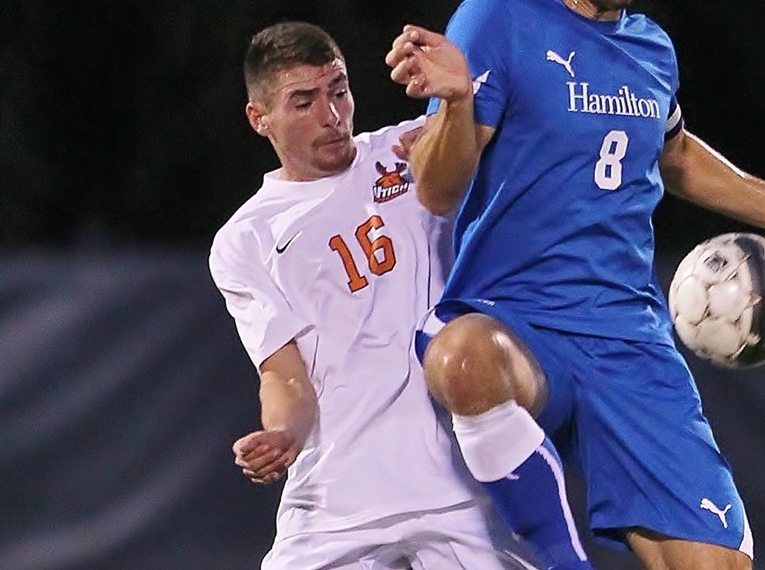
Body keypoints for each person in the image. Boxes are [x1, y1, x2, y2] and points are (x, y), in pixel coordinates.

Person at [385, 1, 765, 569]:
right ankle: (562, 559)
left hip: (628, 338)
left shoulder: (650, 46)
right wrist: (457, 103)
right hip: (516, 317)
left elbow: (675, 151)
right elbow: (435, 190)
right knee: (462, 356)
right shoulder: (498, 18)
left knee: (716, 563)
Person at [209, 21, 539, 570]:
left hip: (458, 484)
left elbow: (521, 130)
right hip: (337, 495)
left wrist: (455, 107)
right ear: (259, 117)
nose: (331, 115)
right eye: (304, 102)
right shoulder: (246, 239)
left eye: (338, 91)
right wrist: (281, 433)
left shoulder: (408, 151)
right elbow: (284, 373)